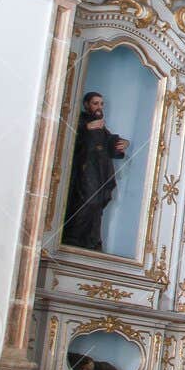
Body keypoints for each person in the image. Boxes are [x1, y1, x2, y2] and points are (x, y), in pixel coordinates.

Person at [62, 91, 128, 252]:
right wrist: (85, 128)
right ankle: (73, 238)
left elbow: (108, 143)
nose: (99, 107)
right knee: (86, 203)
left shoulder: (101, 125)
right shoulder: (81, 121)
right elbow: (67, 138)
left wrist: (122, 143)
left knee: (97, 206)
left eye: (101, 103)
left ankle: (92, 241)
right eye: (95, 103)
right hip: (85, 171)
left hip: (100, 172)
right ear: (87, 105)